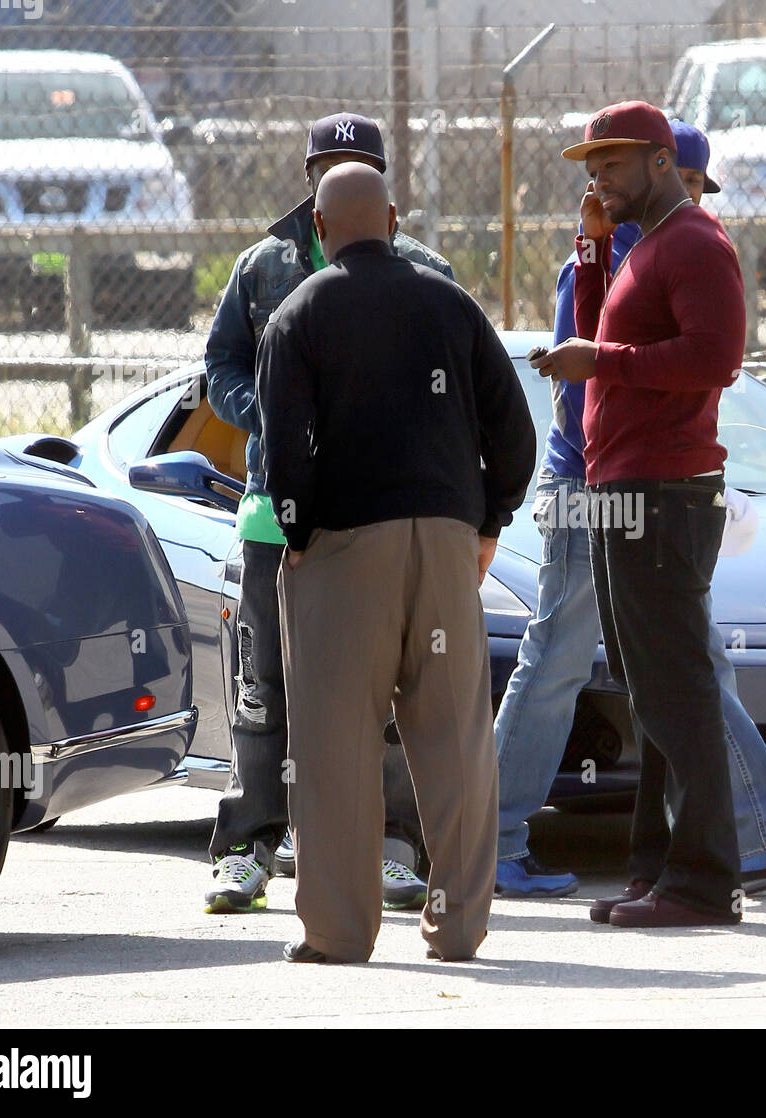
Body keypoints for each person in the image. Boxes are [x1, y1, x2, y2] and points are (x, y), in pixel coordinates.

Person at [496, 118, 766, 900]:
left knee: (678, 682)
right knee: (649, 680)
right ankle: (662, 869)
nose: (599, 177)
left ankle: (707, 871)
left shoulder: (693, 242)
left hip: (661, 493)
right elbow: (594, 342)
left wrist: (605, 361)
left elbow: (714, 358)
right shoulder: (634, 246)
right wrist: (593, 256)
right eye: (593, 164)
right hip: (615, 487)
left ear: (663, 163)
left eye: (614, 163)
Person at [258, 163, 535, 963]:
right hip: (448, 545)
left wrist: (299, 532)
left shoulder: (299, 312)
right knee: (456, 745)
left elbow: (284, 451)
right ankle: (457, 928)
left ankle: (340, 933)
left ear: (317, 226)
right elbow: (513, 430)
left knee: (335, 746)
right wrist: (488, 520)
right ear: (394, 217)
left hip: (345, 551)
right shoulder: (450, 303)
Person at [203, 112, 453, 915]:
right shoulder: (260, 266)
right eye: (329, 163)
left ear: (386, 189)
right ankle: (246, 848)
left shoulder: (425, 273)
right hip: (272, 523)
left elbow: (449, 387)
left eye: (359, 164)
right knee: (261, 688)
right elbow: (220, 369)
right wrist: (273, 416)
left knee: (383, 690)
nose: (342, 176)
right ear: (309, 178)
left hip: (376, 522)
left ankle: (391, 849)